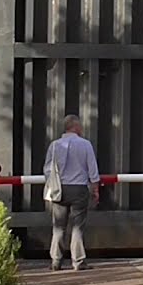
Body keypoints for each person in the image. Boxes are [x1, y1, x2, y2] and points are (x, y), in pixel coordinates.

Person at [43, 114, 100, 272]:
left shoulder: (54, 145)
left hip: (59, 189)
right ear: (75, 127)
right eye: (80, 126)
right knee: (77, 226)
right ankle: (78, 261)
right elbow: (92, 169)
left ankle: (56, 260)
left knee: (58, 226)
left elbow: (47, 169)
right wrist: (95, 188)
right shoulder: (85, 145)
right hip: (79, 189)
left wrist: (52, 184)